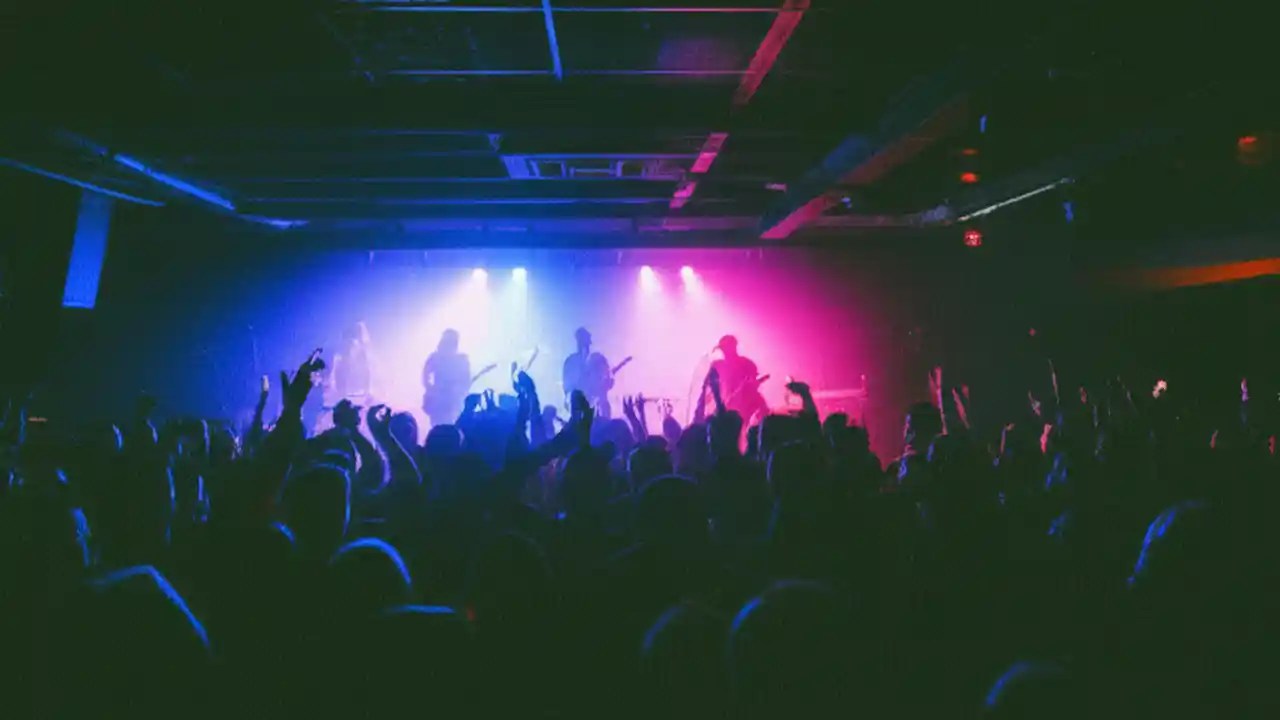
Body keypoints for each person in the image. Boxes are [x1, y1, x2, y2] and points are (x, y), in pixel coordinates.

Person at [562, 327, 619, 420]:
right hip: (579, 403)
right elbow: (567, 382)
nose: (584, 344)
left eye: (585, 340)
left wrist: (605, 384)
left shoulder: (598, 358)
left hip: (598, 403)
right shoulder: (571, 360)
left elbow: (609, 377)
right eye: (581, 340)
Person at [710, 335, 767, 424]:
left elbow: (753, 386)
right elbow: (711, 388)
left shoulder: (747, 364)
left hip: (747, 408)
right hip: (726, 408)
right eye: (723, 349)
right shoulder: (717, 365)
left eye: (726, 348)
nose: (724, 352)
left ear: (734, 347)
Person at [422, 329, 471, 427]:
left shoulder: (462, 360)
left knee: (451, 425)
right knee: (438, 426)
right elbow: (425, 375)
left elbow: (466, 380)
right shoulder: (435, 357)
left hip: (452, 402)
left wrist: (458, 390)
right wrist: (431, 390)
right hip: (439, 402)